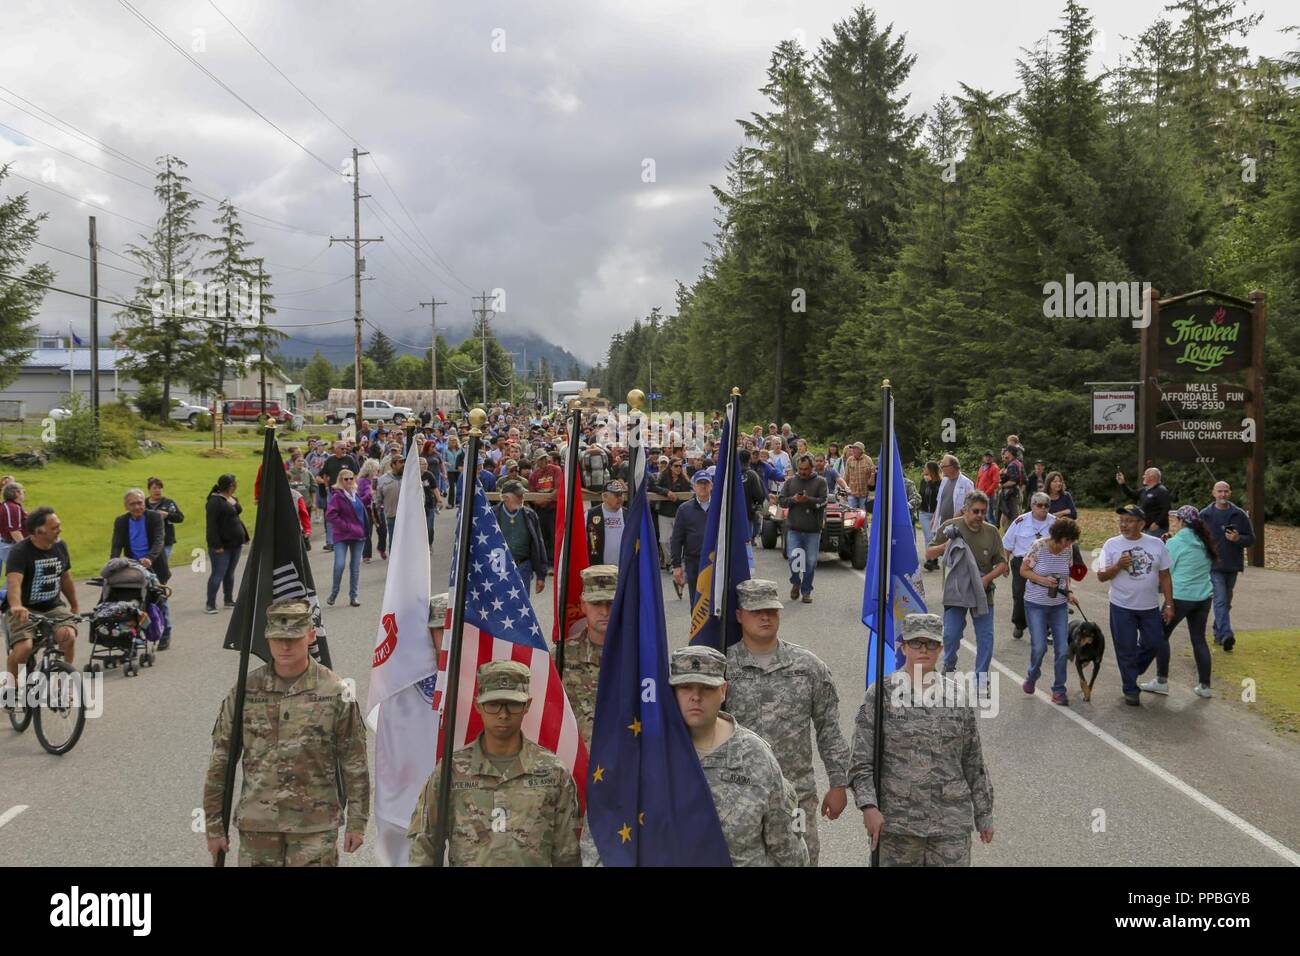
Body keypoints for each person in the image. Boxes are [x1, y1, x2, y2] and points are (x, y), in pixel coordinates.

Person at [203, 599, 369, 866]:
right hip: (258, 825)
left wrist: (357, 821)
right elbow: (221, 760)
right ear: (267, 639)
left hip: (315, 827)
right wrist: (213, 827)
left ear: (311, 635)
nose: (285, 646)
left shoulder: (336, 691)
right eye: (277, 638)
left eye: (293, 638)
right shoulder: (246, 690)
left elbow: (354, 760)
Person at [849, 613, 994, 866]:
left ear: (941, 648)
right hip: (898, 826)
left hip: (950, 825)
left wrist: (984, 814)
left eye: (931, 643)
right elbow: (861, 760)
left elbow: (973, 760)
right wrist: (868, 807)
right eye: (916, 643)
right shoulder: (880, 695)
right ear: (903, 646)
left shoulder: (958, 696)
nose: (923, 649)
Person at [723, 579, 850, 866]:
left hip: (796, 799)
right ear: (740, 616)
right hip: (740, 800)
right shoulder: (724, 669)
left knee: (802, 861)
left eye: (772, 610)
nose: (765, 617)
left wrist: (839, 783)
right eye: (756, 611)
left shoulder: (808, 667)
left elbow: (829, 729)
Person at [408, 660, 580, 867]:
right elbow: (425, 843)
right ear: (477, 705)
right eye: (493, 704)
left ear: (527, 706)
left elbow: (567, 852)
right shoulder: (451, 770)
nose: (503, 714)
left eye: (513, 704)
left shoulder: (553, 772)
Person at [668, 645, 808, 867]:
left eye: (706, 687)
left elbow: (787, 850)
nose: (695, 696)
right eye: (685, 687)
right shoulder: (652, 754)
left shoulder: (756, 756)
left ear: (723, 691)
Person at [925, 490, 1007, 694]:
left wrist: (987, 579)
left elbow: (1002, 563)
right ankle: (950, 663)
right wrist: (946, 545)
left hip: (983, 593)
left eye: (983, 512)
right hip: (956, 592)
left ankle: (981, 679)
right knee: (951, 635)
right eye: (976, 511)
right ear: (965, 510)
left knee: (985, 638)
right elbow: (929, 552)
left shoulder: (991, 532)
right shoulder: (950, 527)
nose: (980, 516)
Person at [1097, 505, 1175, 706]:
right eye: (1122, 520)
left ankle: (1132, 668)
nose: (1124, 525)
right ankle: (1130, 688)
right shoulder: (1111, 544)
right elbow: (1101, 576)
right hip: (1121, 605)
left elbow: (1165, 576)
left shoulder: (1156, 544)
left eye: (1130, 521)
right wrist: (1118, 566)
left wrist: (1169, 604)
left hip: (1149, 607)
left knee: (1155, 642)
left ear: (1142, 523)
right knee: (1126, 647)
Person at [3, 507, 80, 702]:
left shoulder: (60, 546)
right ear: (39, 532)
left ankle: (62, 683)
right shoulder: (20, 552)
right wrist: (16, 605)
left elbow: (66, 578)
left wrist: (74, 605)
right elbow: (14, 582)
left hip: (52, 606)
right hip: (24, 608)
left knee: (67, 636)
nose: (60, 530)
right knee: (24, 648)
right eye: (55, 527)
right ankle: (11, 689)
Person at [1141, 506, 1217, 699]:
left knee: (1161, 635)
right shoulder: (1205, 541)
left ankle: (1161, 680)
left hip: (1179, 596)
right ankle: (1205, 685)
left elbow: (1165, 570)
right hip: (1203, 596)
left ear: (1182, 522)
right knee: (1199, 639)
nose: (1174, 523)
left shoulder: (1176, 542)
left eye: (1176, 520)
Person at [1020, 517, 1081, 704]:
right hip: (1035, 604)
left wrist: (1069, 592)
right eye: (1066, 540)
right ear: (1057, 536)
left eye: (1071, 541)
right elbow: (1024, 570)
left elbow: (1066, 575)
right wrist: (1043, 580)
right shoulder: (1038, 546)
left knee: (1062, 650)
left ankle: (1059, 690)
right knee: (1039, 647)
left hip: (1059, 606)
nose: (1069, 544)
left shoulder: (1067, 550)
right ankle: (1032, 675)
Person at [560, 565, 616, 747]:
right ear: (583, 605)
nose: (605, 611)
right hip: (578, 759)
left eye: (611, 603)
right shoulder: (561, 657)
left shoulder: (640, 657)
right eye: (596, 603)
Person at [110, 487, 172, 644]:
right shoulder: (121, 521)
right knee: (135, 602)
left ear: (144, 503)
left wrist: (150, 558)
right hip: (133, 569)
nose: (137, 507)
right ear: (126, 506)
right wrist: (113, 564)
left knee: (159, 600)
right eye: (132, 504)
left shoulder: (154, 518)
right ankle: (136, 634)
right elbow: (116, 544)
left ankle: (165, 634)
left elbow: (159, 540)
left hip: (155, 566)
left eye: (139, 503)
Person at [1199, 481, 1255, 653]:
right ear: (1213, 493)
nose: (1222, 494)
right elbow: (1195, 538)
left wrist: (1238, 539)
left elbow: (1251, 539)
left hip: (1232, 565)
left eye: (1225, 491)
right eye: (1219, 491)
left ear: (1230, 493)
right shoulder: (1205, 515)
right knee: (1221, 600)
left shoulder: (1239, 515)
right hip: (1213, 565)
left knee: (1226, 602)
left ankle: (1218, 632)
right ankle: (1226, 634)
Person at [1001, 492, 1057, 640]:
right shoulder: (1020, 521)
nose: (1043, 508)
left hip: (1045, 563)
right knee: (1020, 595)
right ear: (1032, 506)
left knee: (1045, 595)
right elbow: (1007, 544)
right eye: (1040, 505)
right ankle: (1019, 624)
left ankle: (1044, 628)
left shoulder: (1055, 523)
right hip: (1022, 562)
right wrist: (1005, 563)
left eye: (1047, 506)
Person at [779, 454, 828, 604]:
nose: (802, 472)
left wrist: (809, 500)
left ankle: (806, 591)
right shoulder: (791, 482)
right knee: (793, 558)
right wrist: (793, 499)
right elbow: (782, 501)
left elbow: (824, 501)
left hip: (813, 530)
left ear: (812, 467)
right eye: (800, 469)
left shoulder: (820, 481)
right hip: (794, 528)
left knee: (811, 562)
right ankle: (795, 582)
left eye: (805, 469)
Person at [493, 480, 548, 597]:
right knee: (501, 605)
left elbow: (539, 543)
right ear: (506, 497)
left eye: (522, 494)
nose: (522, 497)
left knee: (522, 606)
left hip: (523, 567)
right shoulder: (492, 515)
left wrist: (541, 575)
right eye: (518, 495)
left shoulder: (530, 514)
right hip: (499, 567)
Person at [205, 474, 248, 614]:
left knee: (230, 573)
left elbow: (238, 511)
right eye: (235, 484)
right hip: (222, 546)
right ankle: (210, 604)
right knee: (218, 574)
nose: (236, 486)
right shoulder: (214, 502)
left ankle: (228, 599)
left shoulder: (231, 498)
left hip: (235, 544)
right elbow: (211, 526)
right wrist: (216, 545)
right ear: (230, 485)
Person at [324, 469, 366, 607]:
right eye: (345, 479)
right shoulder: (337, 496)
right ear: (340, 481)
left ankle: (354, 597)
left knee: (355, 567)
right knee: (340, 564)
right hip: (342, 535)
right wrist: (346, 526)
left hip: (358, 536)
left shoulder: (356, 494)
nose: (349, 481)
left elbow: (362, 515)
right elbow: (330, 515)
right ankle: (334, 593)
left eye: (351, 478)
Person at [670, 470, 713, 602]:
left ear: (711, 485)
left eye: (706, 483)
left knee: (715, 601)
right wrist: (676, 566)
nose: (703, 486)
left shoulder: (720, 508)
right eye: (700, 483)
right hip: (694, 561)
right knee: (696, 601)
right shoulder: (684, 509)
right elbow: (677, 539)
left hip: (715, 561)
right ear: (694, 486)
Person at [318, 441, 359, 551]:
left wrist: (353, 487)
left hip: (347, 492)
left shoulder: (350, 459)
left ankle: (350, 537)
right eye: (342, 448)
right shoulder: (330, 460)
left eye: (345, 448)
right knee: (331, 516)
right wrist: (326, 486)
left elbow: (355, 474)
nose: (344, 450)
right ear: (335, 449)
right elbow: (324, 474)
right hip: (333, 492)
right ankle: (330, 542)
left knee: (349, 515)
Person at [528, 450, 564, 568]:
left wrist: (545, 500)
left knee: (555, 535)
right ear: (536, 461)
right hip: (540, 510)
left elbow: (558, 489)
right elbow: (531, 494)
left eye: (544, 458)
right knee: (541, 536)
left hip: (554, 509)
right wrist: (539, 502)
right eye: (540, 459)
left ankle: (556, 562)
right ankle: (543, 561)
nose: (543, 461)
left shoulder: (556, 470)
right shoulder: (534, 475)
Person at [929, 454, 974, 544]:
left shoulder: (966, 483)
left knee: (955, 551)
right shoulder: (944, 481)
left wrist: (960, 512)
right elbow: (940, 502)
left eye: (943, 466)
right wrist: (934, 517)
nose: (941, 468)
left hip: (957, 526)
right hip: (943, 524)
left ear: (952, 467)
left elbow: (972, 503)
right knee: (943, 551)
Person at [1116, 466, 1173, 536]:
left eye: (1145, 475)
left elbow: (1166, 509)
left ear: (1152, 477)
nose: (1143, 477)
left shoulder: (1161, 491)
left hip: (1156, 529)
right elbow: (1132, 494)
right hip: (1144, 527)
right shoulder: (1144, 490)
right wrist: (1122, 484)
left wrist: (1157, 523)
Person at [586, 479, 627, 566]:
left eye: (621, 494)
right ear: (604, 497)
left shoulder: (628, 514)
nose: (620, 498)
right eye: (616, 495)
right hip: (598, 569)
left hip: (623, 569)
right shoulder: (590, 515)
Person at [357, 457, 385, 561]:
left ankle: (381, 548)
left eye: (378, 470)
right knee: (367, 533)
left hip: (378, 509)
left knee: (383, 531)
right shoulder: (361, 481)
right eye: (375, 470)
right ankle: (366, 555)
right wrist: (369, 495)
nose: (377, 472)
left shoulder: (378, 480)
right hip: (367, 510)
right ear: (369, 469)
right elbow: (359, 499)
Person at [376, 451, 405, 547]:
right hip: (392, 515)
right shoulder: (382, 480)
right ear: (393, 464)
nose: (403, 464)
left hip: (408, 516)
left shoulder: (409, 478)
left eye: (404, 462)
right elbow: (378, 499)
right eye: (400, 462)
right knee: (393, 543)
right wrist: (377, 517)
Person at [0, 480, 29, 571]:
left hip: (11, 544)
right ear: (17, 493)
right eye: (23, 491)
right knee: (20, 572)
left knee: (20, 573)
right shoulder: (12, 507)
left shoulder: (14, 506)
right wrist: (25, 547)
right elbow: (14, 531)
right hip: (10, 545)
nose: (24, 494)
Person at [917, 462, 940, 564]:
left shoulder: (940, 482)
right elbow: (920, 495)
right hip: (924, 513)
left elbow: (938, 496)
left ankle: (933, 559)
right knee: (928, 536)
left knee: (934, 537)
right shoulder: (923, 481)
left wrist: (931, 483)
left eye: (925, 468)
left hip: (936, 513)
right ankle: (930, 559)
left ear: (931, 470)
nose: (924, 469)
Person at [997, 447, 1024, 530]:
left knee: (1011, 518)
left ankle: (1010, 537)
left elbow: (1013, 481)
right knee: (1009, 517)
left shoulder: (1012, 465)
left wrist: (1001, 485)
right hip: (1016, 492)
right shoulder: (1018, 463)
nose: (1005, 453)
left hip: (1011, 494)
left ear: (1011, 453)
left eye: (1007, 452)